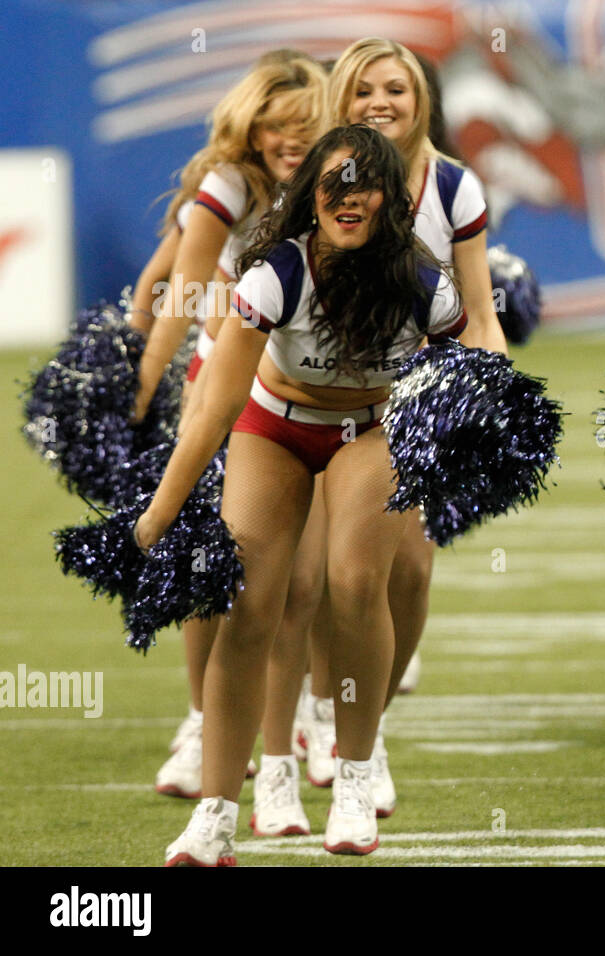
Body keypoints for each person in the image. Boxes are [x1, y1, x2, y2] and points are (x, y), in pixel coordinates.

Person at [142, 123, 469, 865]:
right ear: (310, 196)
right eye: (334, 184)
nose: (349, 198)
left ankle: (353, 779)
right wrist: (159, 513)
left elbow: (453, 383)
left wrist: (451, 455)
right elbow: (217, 406)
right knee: (250, 605)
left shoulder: (424, 284)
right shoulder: (275, 274)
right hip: (274, 425)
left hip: (371, 427)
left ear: (391, 200)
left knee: (355, 583)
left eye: (367, 185)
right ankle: (215, 816)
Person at [135, 55, 329, 801]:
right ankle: (200, 720)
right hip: (226, 383)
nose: (290, 139)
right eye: (275, 126)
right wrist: (146, 385)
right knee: (212, 563)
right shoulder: (229, 185)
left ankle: (296, 716)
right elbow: (182, 289)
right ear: (250, 129)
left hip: (310, 393)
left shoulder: (336, 186)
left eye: (304, 125)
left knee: (300, 580)